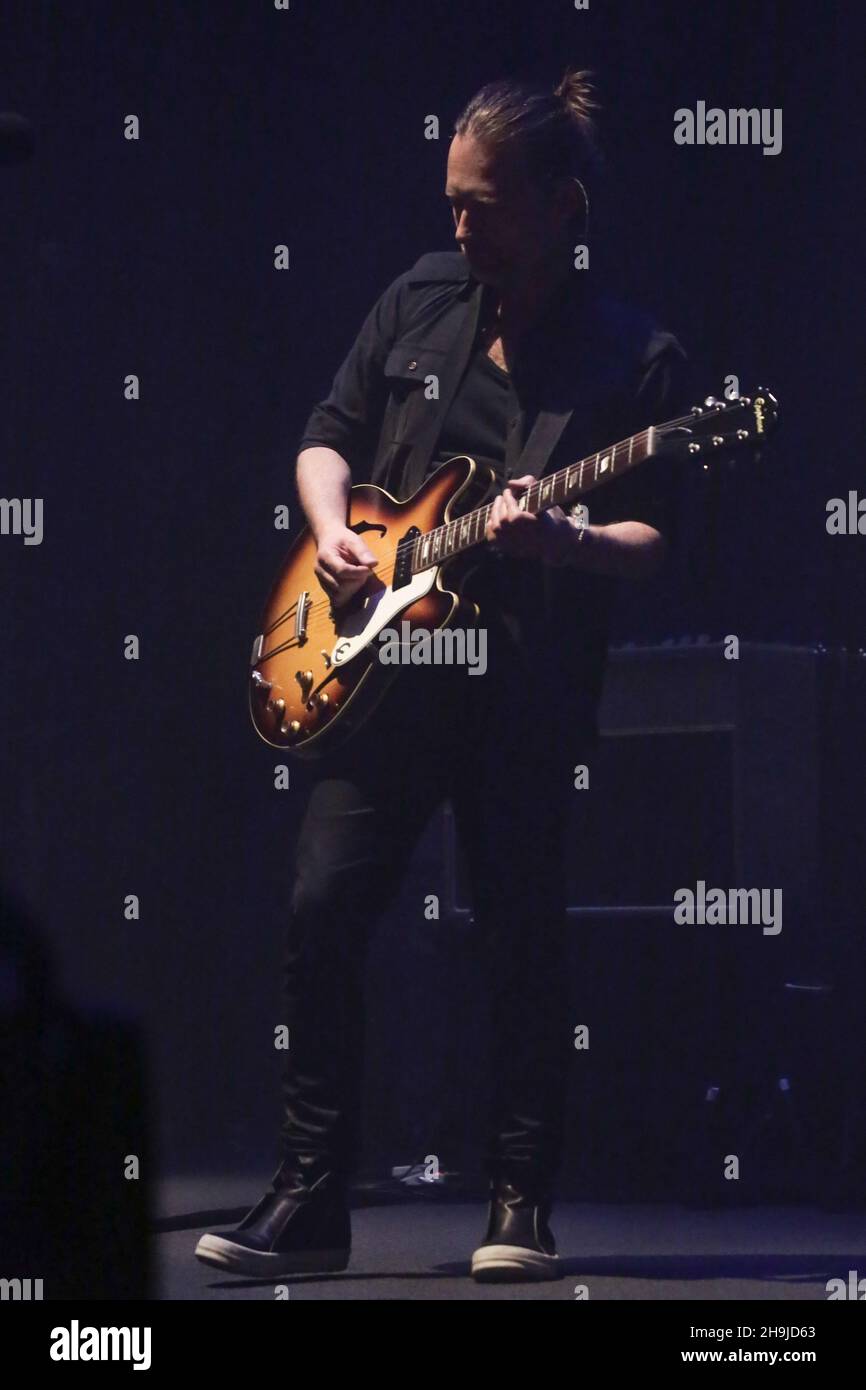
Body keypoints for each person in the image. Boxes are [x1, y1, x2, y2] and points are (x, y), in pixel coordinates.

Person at [196, 68, 689, 1283]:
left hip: (519, 684)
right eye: (451, 203)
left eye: (483, 208)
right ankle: (309, 1200)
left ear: (560, 206)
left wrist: (561, 536)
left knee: (520, 938)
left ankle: (518, 1202)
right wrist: (330, 532)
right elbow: (326, 433)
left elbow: (661, 544)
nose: (459, 228)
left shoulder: (635, 357)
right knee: (320, 910)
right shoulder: (419, 296)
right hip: (379, 674)